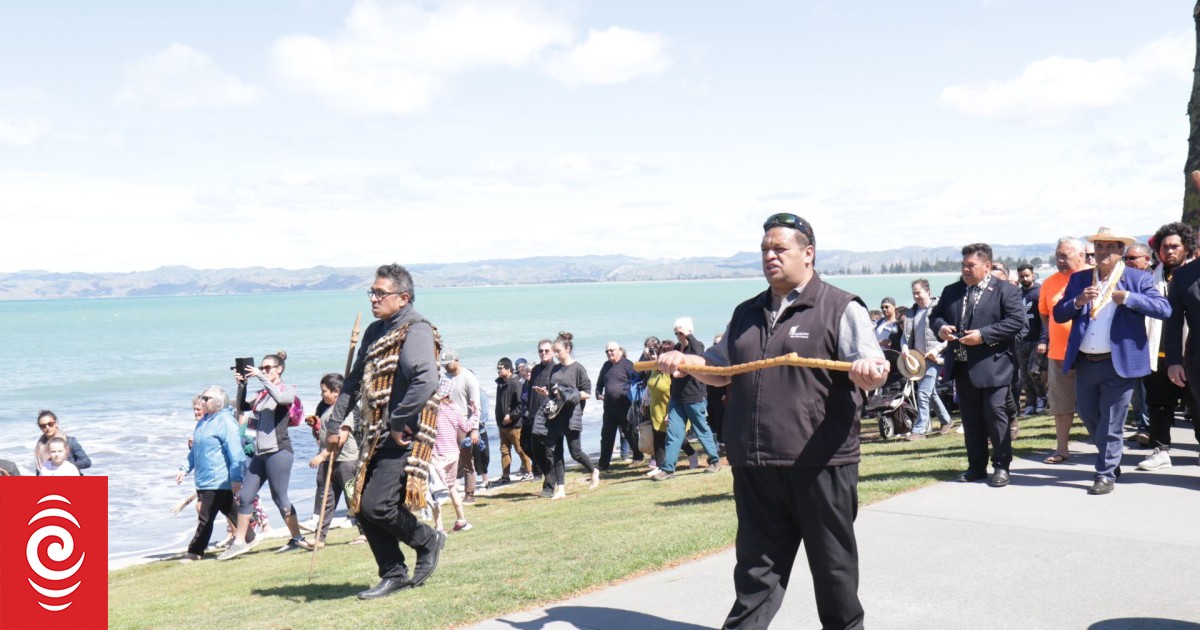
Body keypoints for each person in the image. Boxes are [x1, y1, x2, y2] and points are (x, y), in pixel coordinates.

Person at [658, 213, 888, 628]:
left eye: (779, 248)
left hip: (820, 464)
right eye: (765, 249)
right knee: (755, 575)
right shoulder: (746, 312)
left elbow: (871, 367)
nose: (769, 255)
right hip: (756, 464)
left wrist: (869, 372)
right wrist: (687, 363)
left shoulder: (840, 306)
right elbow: (719, 371)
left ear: (808, 253)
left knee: (834, 575)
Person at [324, 263, 445, 599]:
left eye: (380, 293)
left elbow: (426, 380)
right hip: (376, 433)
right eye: (372, 292)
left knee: (377, 505)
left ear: (403, 297)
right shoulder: (376, 332)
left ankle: (428, 540)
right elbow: (352, 381)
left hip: (405, 434)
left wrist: (397, 420)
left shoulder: (416, 330)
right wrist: (335, 424)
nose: (374, 299)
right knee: (362, 505)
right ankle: (393, 573)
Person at [1054, 227, 1170, 495]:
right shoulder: (1081, 278)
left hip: (1120, 362)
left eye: (1111, 247)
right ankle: (1111, 457)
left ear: (1121, 251)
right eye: (1100, 248)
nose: (1105, 252)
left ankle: (1105, 473)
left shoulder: (1136, 279)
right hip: (1085, 361)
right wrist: (1078, 301)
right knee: (1087, 412)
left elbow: (1164, 309)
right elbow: (1059, 314)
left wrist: (1129, 298)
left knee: (1112, 421)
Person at [931, 243, 1026, 488]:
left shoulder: (1006, 291)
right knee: (971, 420)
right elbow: (936, 316)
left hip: (994, 366)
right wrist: (941, 327)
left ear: (986, 266)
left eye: (970, 265)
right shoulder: (952, 291)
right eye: (963, 265)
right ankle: (976, 467)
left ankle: (1001, 466)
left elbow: (1016, 322)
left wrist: (983, 335)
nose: (965, 270)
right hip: (962, 366)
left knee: (996, 416)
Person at [219, 350, 305, 559]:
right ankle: (240, 541)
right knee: (246, 496)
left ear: (279, 369)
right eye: (262, 367)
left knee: (280, 497)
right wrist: (242, 385)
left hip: (279, 451)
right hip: (260, 453)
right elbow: (241, 407)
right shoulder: (262, 394)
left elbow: (282, 399)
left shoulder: (287, 390)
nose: (264, 370)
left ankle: (297, 538)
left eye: (268, 368)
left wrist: (260, 376)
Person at [1136, 227, 1199, 470]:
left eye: (1175, 246)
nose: (1169, 251)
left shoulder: (1188, 276)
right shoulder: (1150, 278)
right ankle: (1160, 450)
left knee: (1195, 405)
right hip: (1158, 352)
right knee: (1158, 403)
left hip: (1189, 355)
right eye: (1165, 247)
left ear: (1187, 248)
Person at [176, 387, 245, 562]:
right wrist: (184, 468)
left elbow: (236, 453)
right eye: (203, 398)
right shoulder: (204, 421)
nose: (203, 401)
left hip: (218, 478)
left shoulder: (226, 421)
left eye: (206, 398)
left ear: (218, 401)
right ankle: (250, 537)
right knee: (232, 512)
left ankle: (195, 551)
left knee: (205, 516)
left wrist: (236, 478)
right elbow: (196, 450)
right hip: (204, 478)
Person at [1038, 237, 1090, 464]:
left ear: (1081, 256)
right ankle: (1062, 449)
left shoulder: (1094, 277)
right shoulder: (1049, 283)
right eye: (1057, 256)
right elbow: (1044, 313)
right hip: (1058, 354)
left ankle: (1105, 448)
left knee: (1093, 404)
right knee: (1061, 405)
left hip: (1090, 353)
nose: (1060, 260)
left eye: (1065, 256)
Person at [650, 317, 722, 481]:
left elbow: (697, 353)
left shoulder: (696, 346)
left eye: (680, 332)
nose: (678, 335)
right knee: (673, 433)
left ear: (689, 332)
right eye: (676, 333)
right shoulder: (676, 348)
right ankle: (668, 469)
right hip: (677, 398)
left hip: (695, 397)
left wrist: (688, 335)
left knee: (702, 430)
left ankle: (714, 460)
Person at [300, 373, 362, 550]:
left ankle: (365, 533)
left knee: (352, 498)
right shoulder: (326, 408)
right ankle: (320, 538)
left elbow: (341, 438)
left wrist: (322, 455)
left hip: (346, 460)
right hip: (331, 461)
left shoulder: (344, 409)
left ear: (336, 392)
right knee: (327, 499)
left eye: (324, 391)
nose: (322, 395)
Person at [538, 332, 599, 494]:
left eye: (558, 351)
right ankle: (561, 489)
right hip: (555, 415)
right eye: (554, 351)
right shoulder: (556, 369)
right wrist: (546, 392)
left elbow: (587, 393)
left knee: (575, 452)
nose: (556, 355)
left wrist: (569, 394)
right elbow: (553, 391)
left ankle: (594, 471)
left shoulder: (578, 368)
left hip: (572, 415)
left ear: (568, 349)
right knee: (556, 453)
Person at [902, 279, 953, 438]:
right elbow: (905, 337)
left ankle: (919, 429)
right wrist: (904, 347)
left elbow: (950, 334)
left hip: (934, 358)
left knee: (923, 393)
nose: (916, 296)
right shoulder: (912, 312)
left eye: (918, 292)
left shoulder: (939, 309)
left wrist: (938, 350)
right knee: (930, 393)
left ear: (928, 291)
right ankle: (946, 420)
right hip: (917, 361)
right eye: (914, 293)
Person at [646, 338, 697, 476]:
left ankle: (692, 454)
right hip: (656, 408)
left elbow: (676, 393)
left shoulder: (674, 373)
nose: (664, 354)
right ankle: (661, 465)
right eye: (662, 351)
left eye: (667, 351)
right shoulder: (656, 369)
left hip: (671, 408)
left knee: (677, 437)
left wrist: (670, 412)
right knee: (658, 438)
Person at [431, 376, 475, 533]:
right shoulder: (455, 408)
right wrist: (475, 414)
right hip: (453, 453)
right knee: (452, 488)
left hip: (437, 455)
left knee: (435, 491)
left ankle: (439, 527)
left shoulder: (431, 410)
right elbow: (465, 426)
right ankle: (461, 520)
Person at [1123, 242, 1154, 441]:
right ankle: (1143, 426)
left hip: (1150, 342)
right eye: (1126, 258)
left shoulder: (1150, 280)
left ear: (1146, 259)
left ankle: (1150, 429)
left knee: (1146, 390)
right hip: (1131, 344)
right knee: (1136, 391)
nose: (1129, 262)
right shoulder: (1126, 280)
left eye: (1133, 258)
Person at [441, 348, 482, 502]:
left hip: (464, 424)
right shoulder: (444, 378)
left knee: (466, 459)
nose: (445, 367)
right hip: (447, 424)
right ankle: (449, 490)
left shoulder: (468, 378)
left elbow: (476, 406)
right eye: (443, 364)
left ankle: (470, 493)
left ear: (457, 361)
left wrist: (474, 430)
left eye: (448, 363)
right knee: (447, 458)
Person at [595, 341, 639, 470]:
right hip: (609, 407)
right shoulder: (606, 366)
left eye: (611, 350)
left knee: (629, 433)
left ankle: (638, 456)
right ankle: (603, 464)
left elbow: (637, 382)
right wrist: (598, 394)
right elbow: (599, 384)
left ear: (619, 350)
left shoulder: (627, 364)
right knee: (607, 435)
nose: (609, 353)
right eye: (607, 351)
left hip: (624, 406)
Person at [1016, 264, 1047, 415]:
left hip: (1037, 340)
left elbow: (1044, 320)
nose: (1025, 278)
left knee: (1033, 370)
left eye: (1027, 275)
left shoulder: (1040, 293)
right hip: (1021, 341)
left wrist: (1043, 340)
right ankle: (1030, 403)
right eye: (1022, 276)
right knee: (1024, 374)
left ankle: (1042, 397)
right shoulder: (1016, 295)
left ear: (1033, 275)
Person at [494, 357, 530, 485]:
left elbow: (520, 405)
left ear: (509, 369)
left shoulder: (515, 383)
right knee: (504, 450)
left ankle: (529, 471)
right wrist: (500, 420)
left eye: (501, 368)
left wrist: (511, 416)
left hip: (514, 424)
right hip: (502, 424)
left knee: (520, 449)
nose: (498, 371)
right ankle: (505, 476)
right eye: (497, 368)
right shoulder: (500, 383)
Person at [528, 339, 557, 496]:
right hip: (533, 416)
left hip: (548, 417)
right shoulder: (536, 370)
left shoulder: (556, 369)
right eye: (541, 351)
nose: (543, 353)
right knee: (535, 451)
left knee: (548, 452)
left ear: (552, 352)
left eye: (546, 350)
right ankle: (549, 479)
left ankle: (550, 486)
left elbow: (559, 394)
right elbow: (530, 392)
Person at [33, 410, 91, 475]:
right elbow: (39, 470)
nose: (47, 427)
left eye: (50, 424)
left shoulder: (70, 441)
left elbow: (87, 462)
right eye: (43, 426)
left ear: (56, 423)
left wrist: (63, 467)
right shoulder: (40, 446)